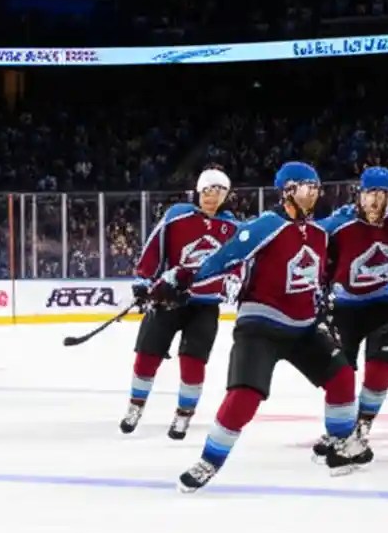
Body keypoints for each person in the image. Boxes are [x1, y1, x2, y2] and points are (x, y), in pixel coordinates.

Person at [150, 161, 366, 493]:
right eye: (307, 186)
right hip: (260, 325)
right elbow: (225, 258)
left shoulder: (320, 233)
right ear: (288, 190)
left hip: (305, 327)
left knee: (342, 377)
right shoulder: (267, 225)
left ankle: (340, 444)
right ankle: (210, 461)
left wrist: (323, 307)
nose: (314, 193)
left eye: (316, 187)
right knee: (245, 396)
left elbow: (316, 278)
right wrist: (181, 278)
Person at [311, 166, 388, 458]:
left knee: (381, 367)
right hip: (345, 309)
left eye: (384, 193)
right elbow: (304, 243)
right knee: (339, 372)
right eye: (371, 193)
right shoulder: (337, 225)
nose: (378, 200)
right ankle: (340, 428)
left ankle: (362, 427)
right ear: (360, 195)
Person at [122, 164, 238, 440]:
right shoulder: (177, 216)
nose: (213, 196)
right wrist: (144, 281)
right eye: (208, 189)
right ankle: (135, 407)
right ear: (199, 190)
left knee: (193, 361)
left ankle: (183, 415)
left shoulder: (233, 227)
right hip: (168, 299)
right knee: (147, 356)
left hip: (204, 305)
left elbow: (235, 267)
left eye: (220, 191)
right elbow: (154, 249)